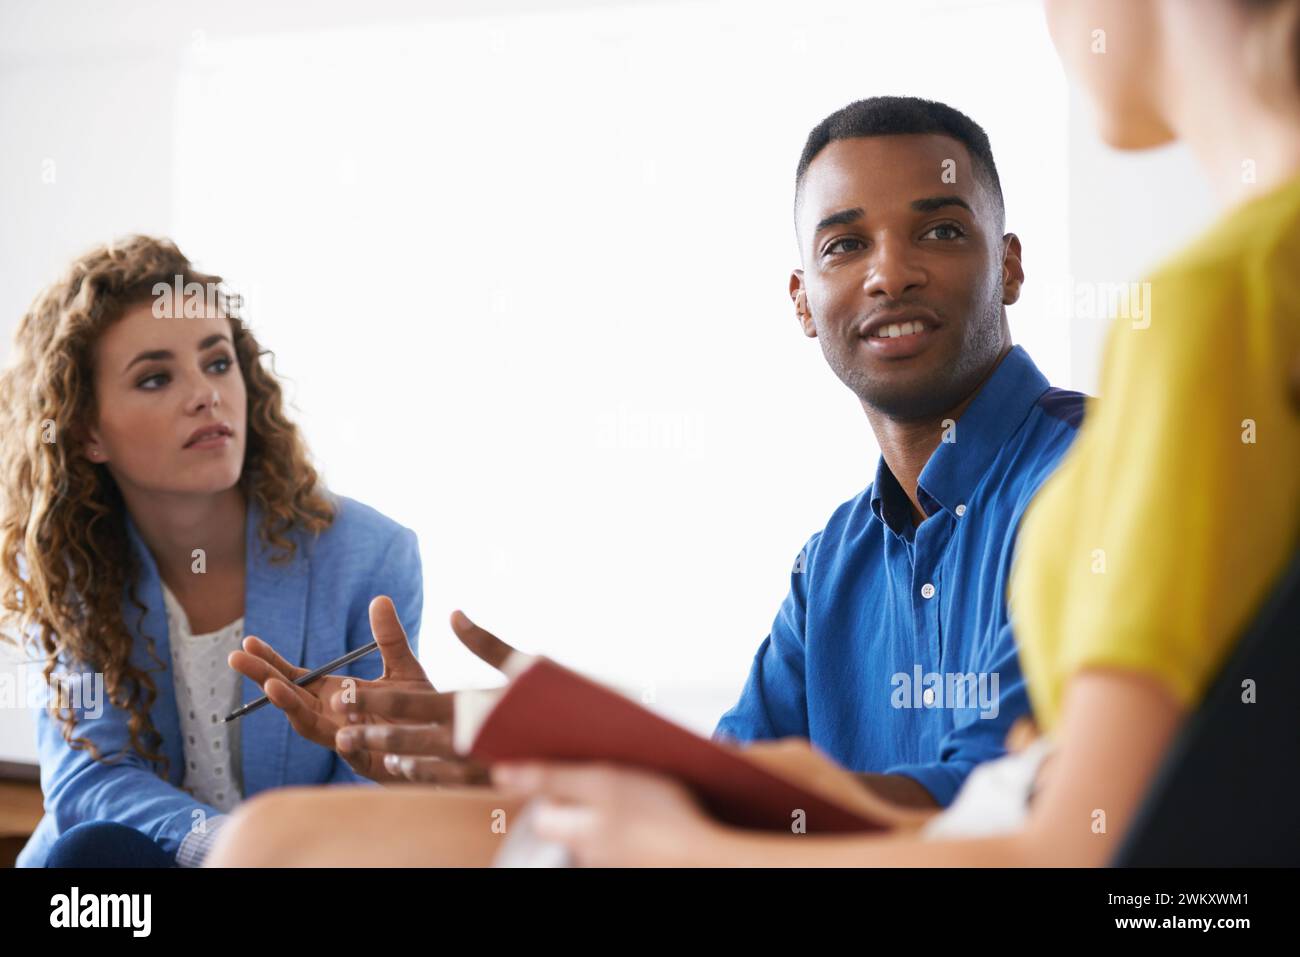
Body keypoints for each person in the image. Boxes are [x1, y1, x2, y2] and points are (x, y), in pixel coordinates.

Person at [208, 95, 1098, 866]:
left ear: (1010, 264)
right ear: (801, 298)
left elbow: (1004, 798)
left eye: (940, 230)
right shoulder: (830, 563)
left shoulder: (1098, 471)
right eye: (844, 244)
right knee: (279, 840)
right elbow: (723, 787)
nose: (889, 271)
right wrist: (493, 752)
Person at [0, 236, 424, 866]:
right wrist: (222, 845)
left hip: (300, 866)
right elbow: (90, 777)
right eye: (155, 378)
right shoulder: (68, 565)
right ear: (88, 431)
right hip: (128, 876)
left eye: (218, 362)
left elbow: (365, 778)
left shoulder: (370, 557)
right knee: (93, 854)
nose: (205, 394)